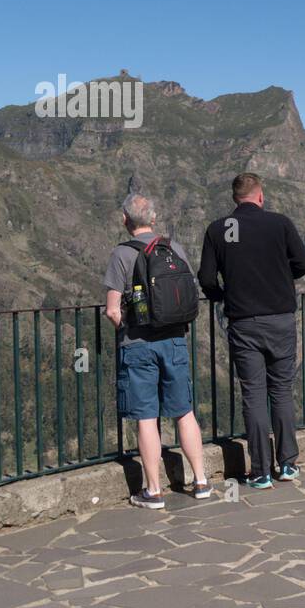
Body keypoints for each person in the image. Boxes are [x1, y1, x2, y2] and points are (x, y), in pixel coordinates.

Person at [198, 173, 305, 488]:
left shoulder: (218, 229)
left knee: (253, 395)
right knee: (281, 391)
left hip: (244, 322)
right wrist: (280, 276)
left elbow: (206, 278)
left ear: (235, 199)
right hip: (280, 320)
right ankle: (287, 464)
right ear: (260, 196)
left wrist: (226, 294)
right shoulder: (280, 223)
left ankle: (261, 471)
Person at [103, 193, 211, 509]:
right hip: (175, 340)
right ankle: (201, 481)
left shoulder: (121, 254)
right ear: (153, 218)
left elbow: (112, 310)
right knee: (183, 411)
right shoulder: (172, 248)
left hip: (138, 345)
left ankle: (154, 491)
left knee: (146, 417)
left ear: (125, 220)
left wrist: (128, 323)